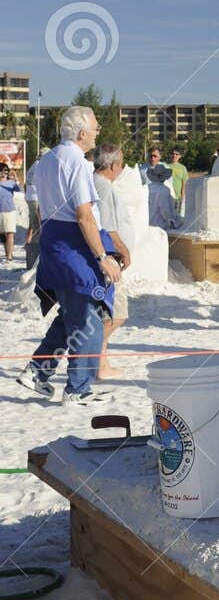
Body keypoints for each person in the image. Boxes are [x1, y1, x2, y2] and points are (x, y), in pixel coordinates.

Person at [17, 107, 121, 405]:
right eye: (96, 128)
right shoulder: (77, 162)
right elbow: (84, 214)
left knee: (71, 314)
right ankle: (78, 389)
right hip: (75, 246)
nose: (98, 133)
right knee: (88, 318)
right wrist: (103, 256)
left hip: (54, 242)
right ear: (81, 133)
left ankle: (37, 371)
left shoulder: (46, 160)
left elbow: (39, 206)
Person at [93, 144, 135, 379]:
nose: (122, 168)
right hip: (110, 258)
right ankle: (92, 354)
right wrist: (124, 250)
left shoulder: (95, 183)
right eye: (120, 163)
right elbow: (108, 227)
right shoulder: (104, 188)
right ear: (112, 165)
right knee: (117, 314)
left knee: (108, 313)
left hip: (105, 257)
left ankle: (101, 365)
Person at [0, 163, 22, 260]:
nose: (3, 173)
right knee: (2, 235)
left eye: (6, 170)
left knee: (10, 233)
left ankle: (9, 256)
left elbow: (20, 189)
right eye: (1, 170)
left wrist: (15, 176)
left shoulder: (11, 183)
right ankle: (6, 253)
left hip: (9, 211)